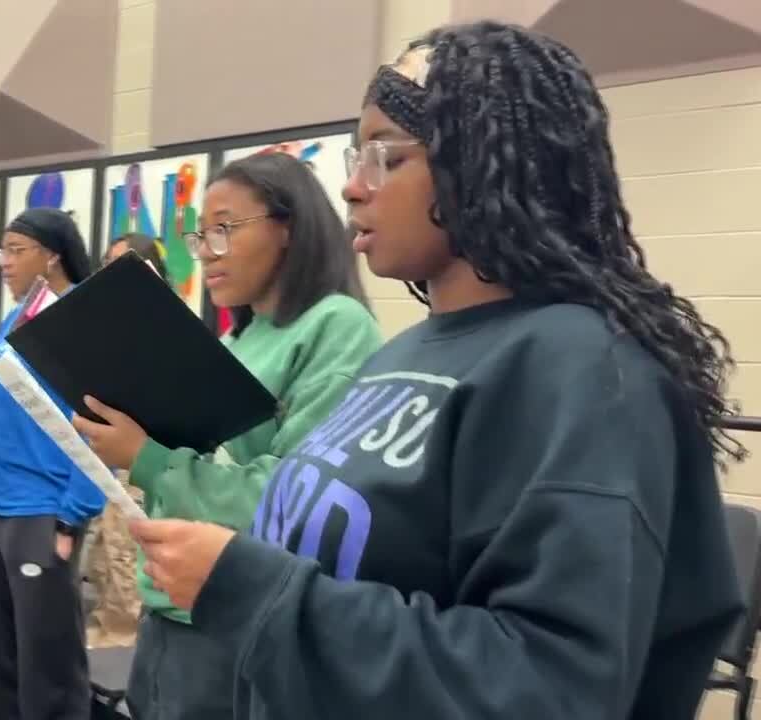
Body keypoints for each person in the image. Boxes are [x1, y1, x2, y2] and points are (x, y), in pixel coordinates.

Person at [128, 21, 746, 720]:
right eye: (356, 157)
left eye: (387, 156)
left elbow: (549, 687)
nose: (353, 188)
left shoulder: (587, 373)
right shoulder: (403, 355)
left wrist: (249, 590)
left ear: (476, 165)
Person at [73, 151, 381, 719]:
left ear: (288, 227)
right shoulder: (241, 338)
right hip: (170, 603)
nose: (207, 252)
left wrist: (147, 457)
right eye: (201, 236)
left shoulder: (336, 325)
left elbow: (297, 497)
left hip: (236, 616)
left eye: (224, 229)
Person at [0, 208, 102, 719]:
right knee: (1, 655)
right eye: (2, 251)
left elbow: (101, 427)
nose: (4, 262)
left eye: (16, 250)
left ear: (52, 255)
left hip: (44, 510)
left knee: (48, 666)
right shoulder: (15, 320)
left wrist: (73, 514)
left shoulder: (82, 319)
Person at [83, 235, 167, 649]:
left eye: (122, 264)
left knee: (128, 577)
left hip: (146, 473)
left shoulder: (165, 329)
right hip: (108, 472)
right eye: (106, 264)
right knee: (105, 569)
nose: (109, 274)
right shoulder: (106, 331)